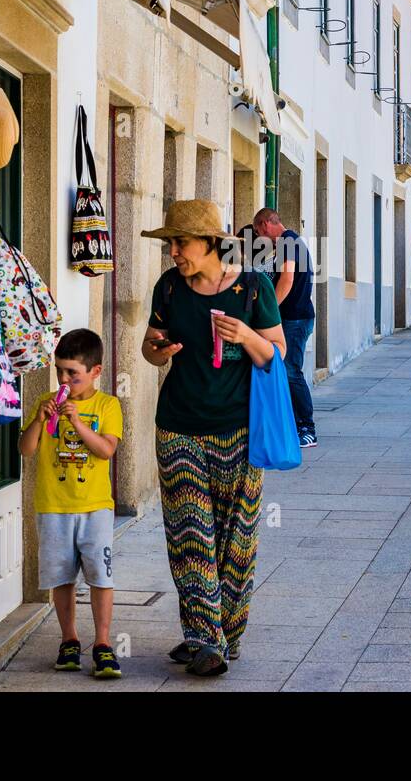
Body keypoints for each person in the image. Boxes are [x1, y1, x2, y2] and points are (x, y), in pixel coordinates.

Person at [140, 199, 286, 677]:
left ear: (210, 245)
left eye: (180, 243)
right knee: (189, 535)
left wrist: (246, 334)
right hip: (179, 426)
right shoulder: (169, 289)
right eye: (171, 244)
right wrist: (160, 352)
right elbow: (150, 347)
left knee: (235, 539)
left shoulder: (252, 288)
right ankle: (204, 636)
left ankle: (225, 633)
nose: (174, 252)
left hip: (239, 430)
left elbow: (276, 354)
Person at [18, 329, 124, 679]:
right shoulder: (45, 403)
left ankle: (103, 643)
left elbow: (106, 449)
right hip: (53, 506)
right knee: (61, 576)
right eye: (60, 371)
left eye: (72, 374)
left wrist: (77, 423)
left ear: (95, 372)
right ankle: (69, 640)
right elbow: (27, 449)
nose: (64, 379)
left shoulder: (107, 406)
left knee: (100, 576)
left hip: (94, 507)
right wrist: (38, 419)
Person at [253, 207, 317, 448]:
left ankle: (308, 428)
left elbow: (287, 279)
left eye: (257, 231)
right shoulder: (288, 243)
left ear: (264, 224)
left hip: (295, 319)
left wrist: (271, 312)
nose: (258, 237)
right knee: (285, 370)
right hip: (292, 318)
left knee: (291, 370)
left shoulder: (289, 241)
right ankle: (293, 424)